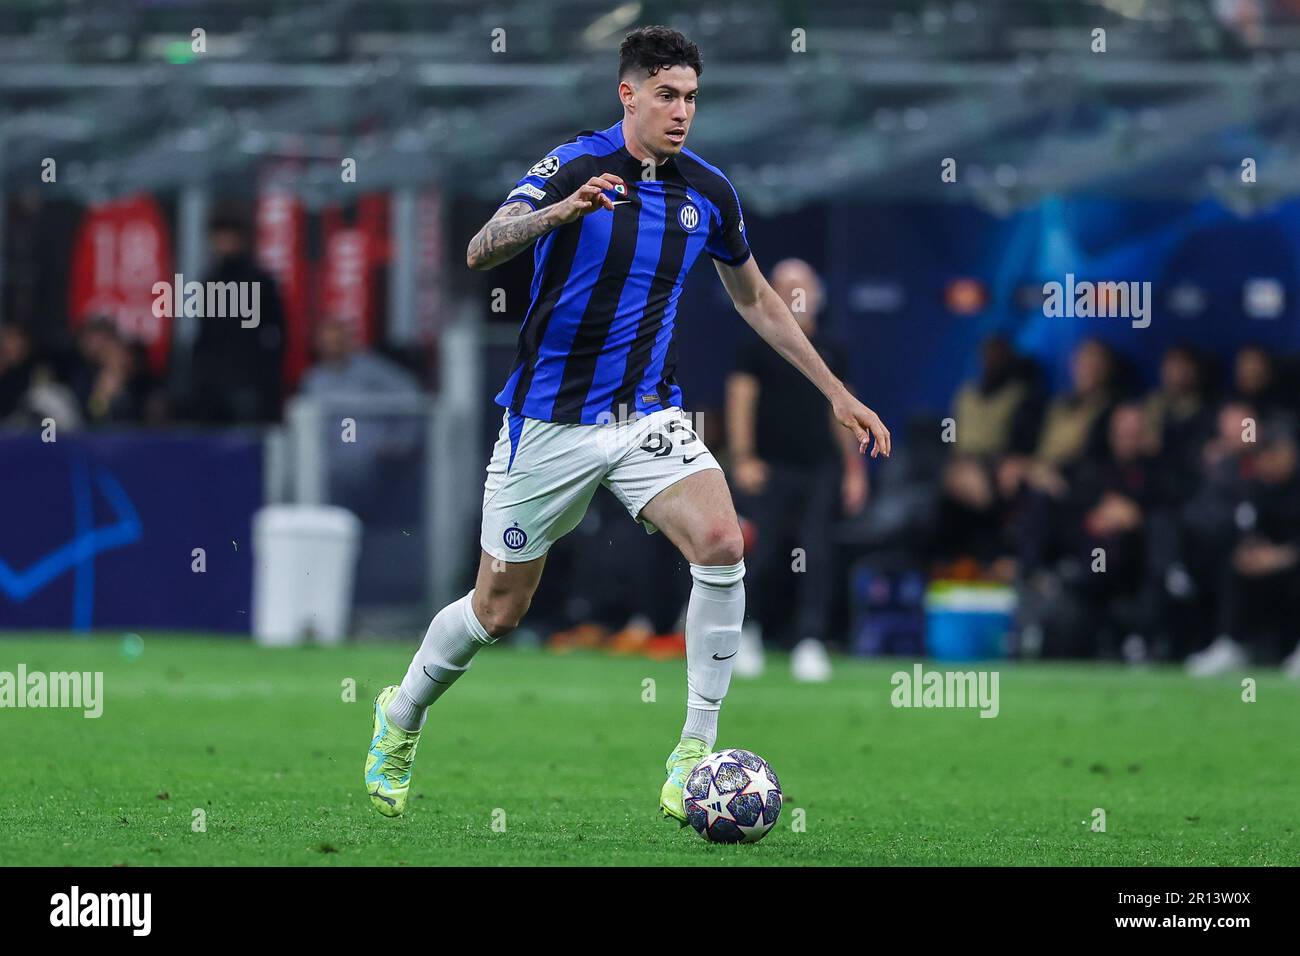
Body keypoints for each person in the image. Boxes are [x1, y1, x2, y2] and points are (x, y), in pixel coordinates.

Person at [364, 26, 890, 827]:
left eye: (692, 98)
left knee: (722, 543)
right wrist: (560, 212)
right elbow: (480, 248)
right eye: (668, 96)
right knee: (497, 612)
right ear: (629, 94)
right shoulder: (574, 166)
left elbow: (754, 298)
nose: (682, 113)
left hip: (645, 414)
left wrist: (834, 391)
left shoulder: (708, 193)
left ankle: (692, 754)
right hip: (548, 421)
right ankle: (400, 718)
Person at [726, 258, 866, 682]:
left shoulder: (833, 350)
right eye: (785, 287)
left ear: (818, 296)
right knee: (762, 553)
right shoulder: (756, 347)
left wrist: (854, 470)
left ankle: (810, 640)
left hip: (820, 468)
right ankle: (745, 634)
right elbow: (740, 400)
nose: (795, 296)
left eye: (802, 288)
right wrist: (743, 457)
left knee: (817, 554)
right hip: (770, 468)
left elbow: (841, 410)